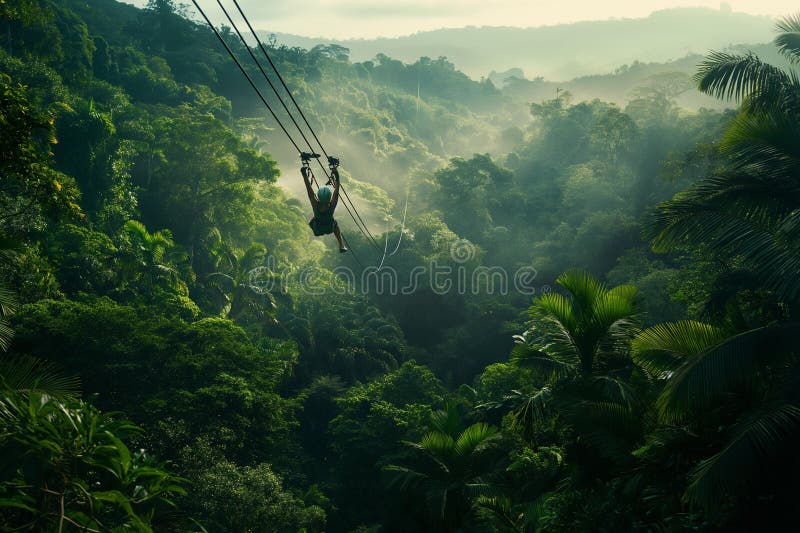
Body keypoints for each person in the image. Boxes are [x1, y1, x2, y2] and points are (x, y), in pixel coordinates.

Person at [302, 165, 348, 253]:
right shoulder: (331, 206)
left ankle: (341, 244)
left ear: (318, 197)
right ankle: (341, 245)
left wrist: (304, 174)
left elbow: (310, 191)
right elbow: (336, 192)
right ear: (329, 197)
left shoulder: (315, 205)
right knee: (335, 223)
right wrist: (337, 176)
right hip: (329, 228)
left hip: (317, 229)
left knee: (313, 220)